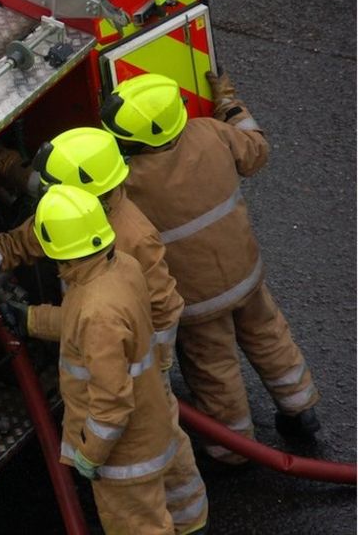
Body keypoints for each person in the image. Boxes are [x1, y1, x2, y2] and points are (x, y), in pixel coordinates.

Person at [0, 127, 207, 533]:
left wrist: (91, 453)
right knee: (173, 457)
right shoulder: (111, 255)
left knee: (136, 518)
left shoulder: (122, 255)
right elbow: (24, 249)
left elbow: (110, 394)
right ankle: (193, 521)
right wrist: (21, 311)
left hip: (123, 448)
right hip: (147, 404)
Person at [100, 72, 320, 463]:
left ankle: (232, 451)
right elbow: (257, 150)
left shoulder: (129, 183)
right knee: (270, 336)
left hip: (197, 303)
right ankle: (300, 409)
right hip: (246, 275)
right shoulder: (211, 133)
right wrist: (230, 103)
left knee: (215, 370)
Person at [33, 184, 179, 534]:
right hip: (151, 424)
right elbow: (81, 325)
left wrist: (90, 454)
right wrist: (30, 318)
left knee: (139, 526)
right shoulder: (121, 268)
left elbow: (112, 403)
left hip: (124, 456)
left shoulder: (95, 310)